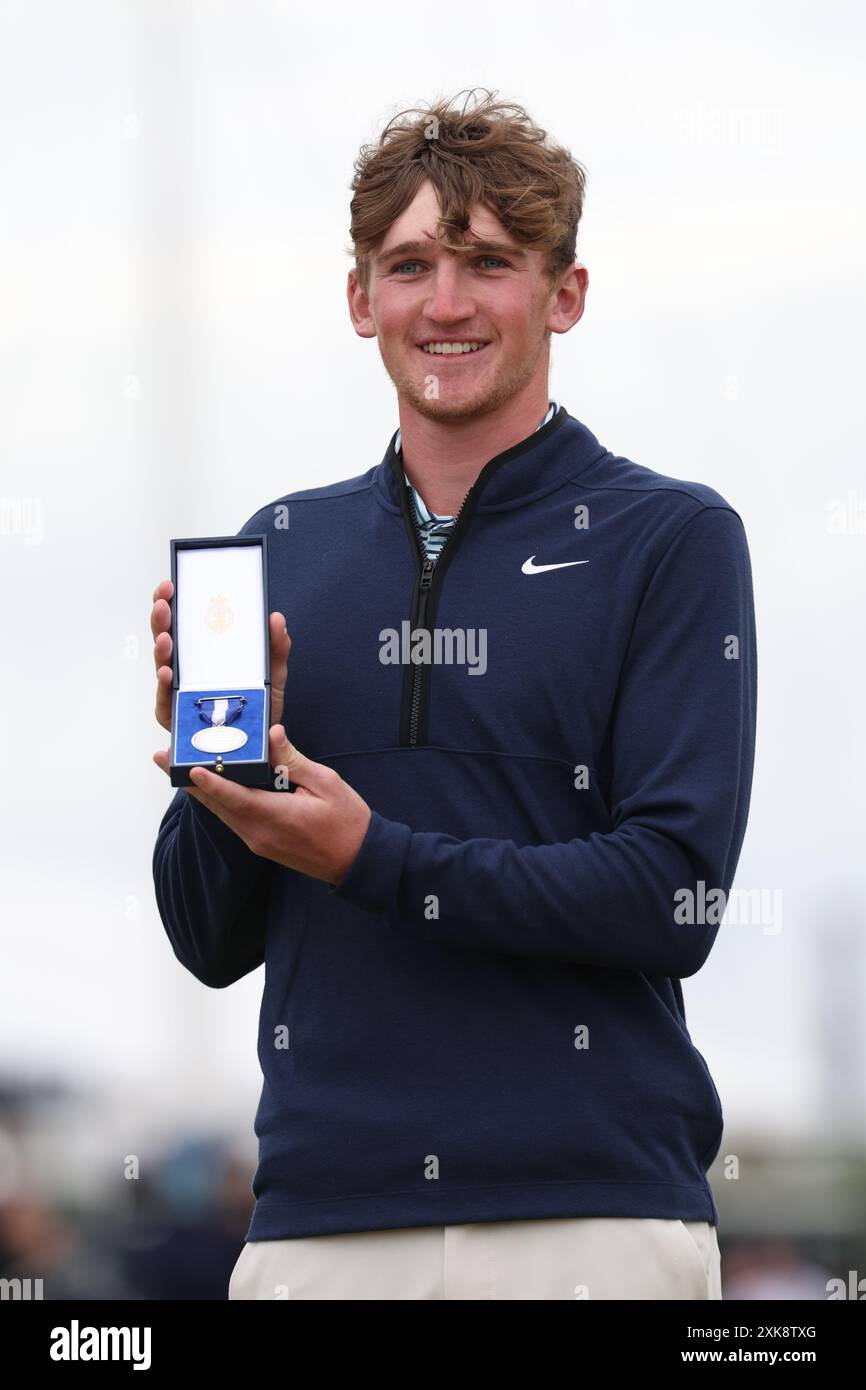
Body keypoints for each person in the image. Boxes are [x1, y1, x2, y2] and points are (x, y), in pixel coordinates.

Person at [151, 89, 757, 1300]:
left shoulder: (670, 538)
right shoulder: (276, 548)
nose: (443, 303)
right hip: (319, 1222)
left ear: (562, 294)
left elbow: (669, 897)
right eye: (409, 263)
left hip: (587, 1212)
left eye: (486, 263)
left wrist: (371, 853)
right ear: (359, 296)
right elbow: (204, 939)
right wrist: (226, 776)